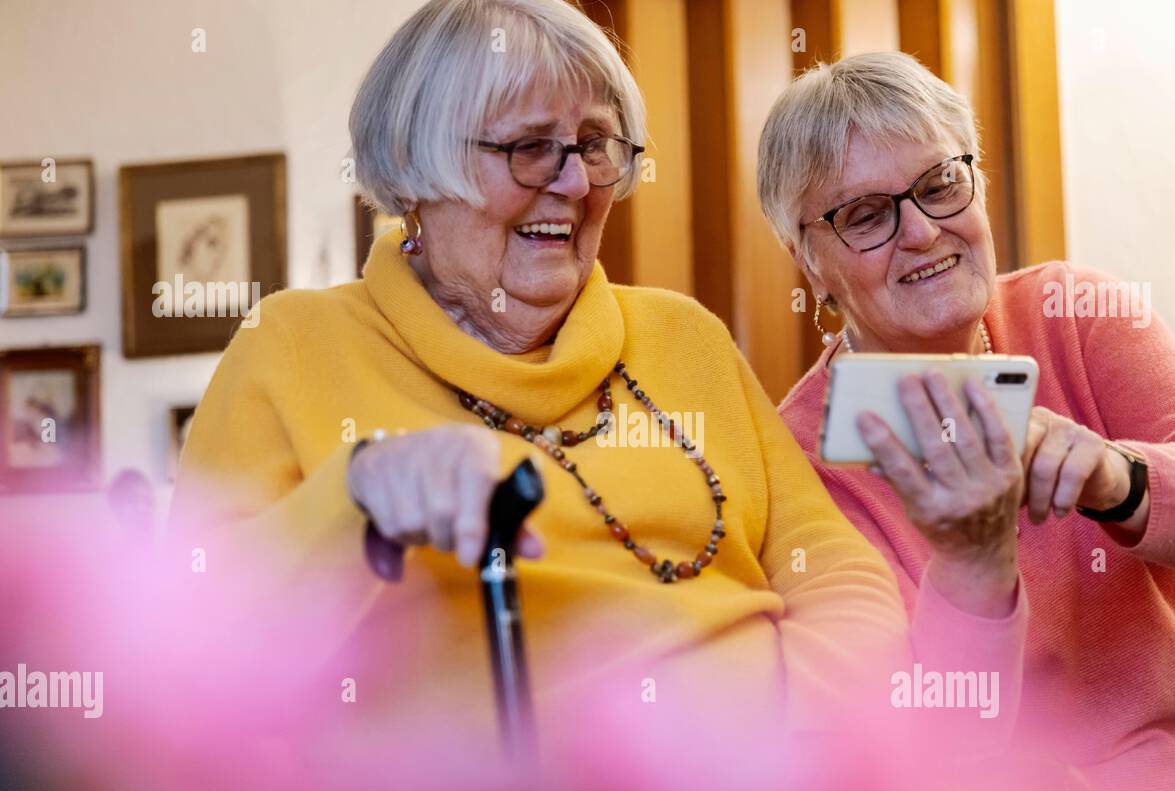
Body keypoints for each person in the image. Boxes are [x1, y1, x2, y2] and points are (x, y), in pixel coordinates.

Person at [170, 2, 1024, 746]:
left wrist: (779, 743)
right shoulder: (293, 347)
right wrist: (355, 500)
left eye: (596, 145)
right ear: (417, 171)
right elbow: (188, 660)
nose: (576, 182)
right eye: (531, 149)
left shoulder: (681, 337)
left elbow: (836, 574)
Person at [761, 51, 1175, 791]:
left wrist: (1114, 475)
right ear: (810, 262)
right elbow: (921, 748)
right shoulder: (794, 458)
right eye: (867, 214)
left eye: (941, 183)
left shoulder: (1074, 310)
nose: (921, 230)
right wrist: (972, 564)